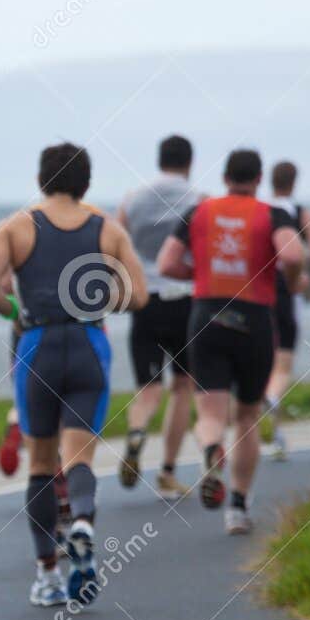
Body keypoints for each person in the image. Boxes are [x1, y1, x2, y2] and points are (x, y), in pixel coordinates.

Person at [0, 142, 148, 606]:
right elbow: (138, 295)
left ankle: (48, 575)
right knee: (80, 458)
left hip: (38, 346)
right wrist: (98, 299)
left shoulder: (15, 227)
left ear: (41, 179)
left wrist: (16, 311)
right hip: (89, 342)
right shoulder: (107, 228)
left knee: (39, 463)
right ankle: (84, 522)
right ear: (86, 184)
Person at [155, 148, 303, 535]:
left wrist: (199, 274)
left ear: (225, 178)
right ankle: (237, 507)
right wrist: (292, 281)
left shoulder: (199, 212)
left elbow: (166, 263)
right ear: (258, 179)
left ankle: (210, 450)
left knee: (210, 414)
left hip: (207, 314)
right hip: (254, 318)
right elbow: (293, 254)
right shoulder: (272, 213)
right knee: (247, 416)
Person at [116, 135, 202, 496]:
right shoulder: (200, 199)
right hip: (184, 300)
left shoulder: (132, 198)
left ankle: (137, 431)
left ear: (159, 159)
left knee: (148, 388)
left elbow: (116, 242)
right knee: (183, 387)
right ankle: (167, 469)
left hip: (145, 300)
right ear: (189, 162)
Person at [262, 160, 310, 460]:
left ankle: (265, 421)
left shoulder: (262, 211)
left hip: (258, 292)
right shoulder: (301, 214)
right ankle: (273, 404)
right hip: (288, 292)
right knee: (282, 365)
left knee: (260, 362)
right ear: (294, 181)